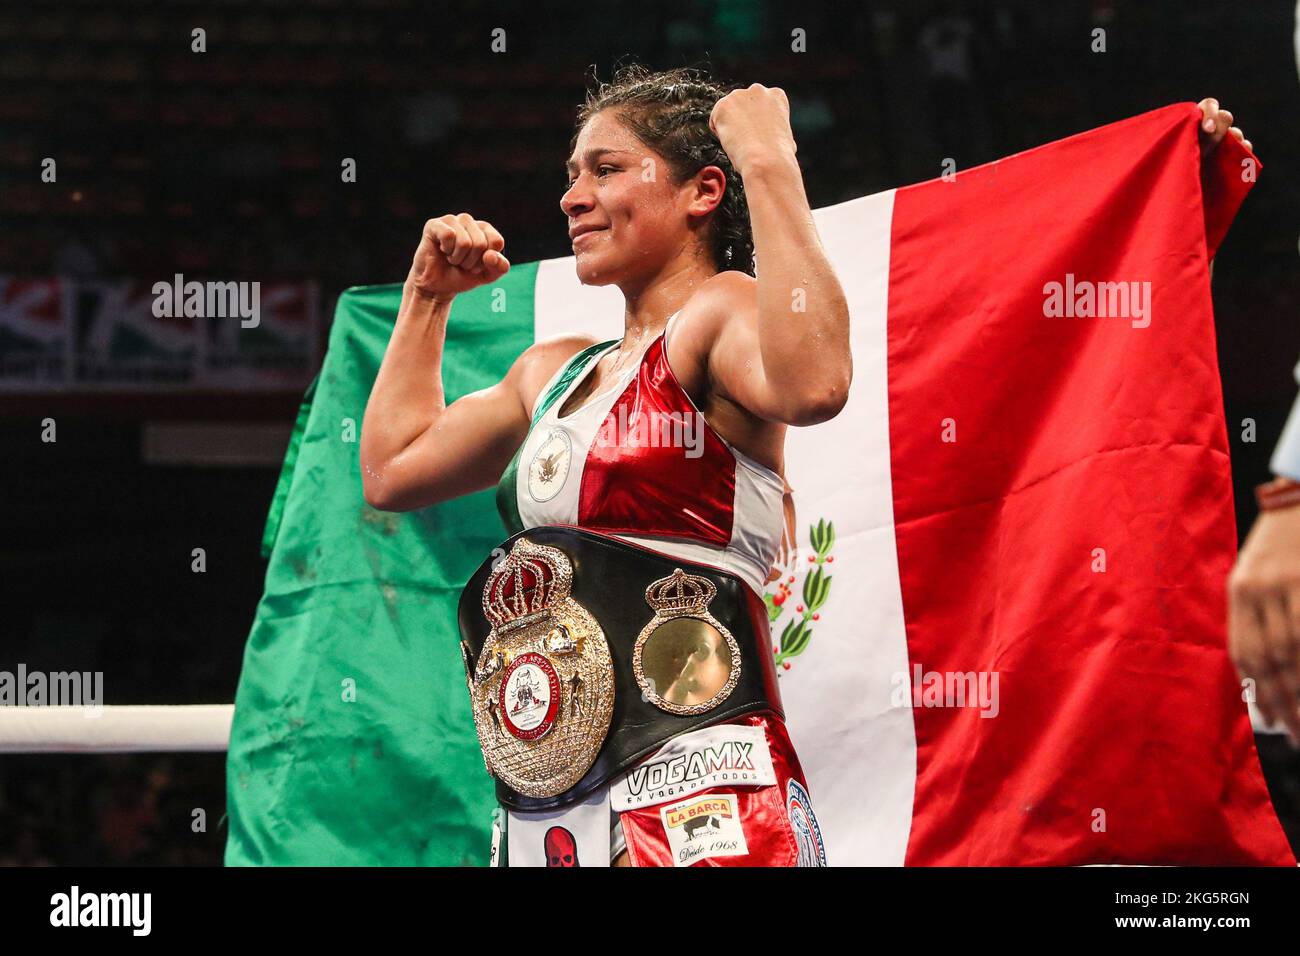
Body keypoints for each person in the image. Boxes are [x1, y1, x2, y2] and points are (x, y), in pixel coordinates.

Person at [360, 64, 848, 867]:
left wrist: (770, 164)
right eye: (570, 176)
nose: (572, 197)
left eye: (606, 169)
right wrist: (426, 298)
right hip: (552, 804)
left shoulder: (717, 315)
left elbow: (818, 381)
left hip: (697, 779)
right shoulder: (549, 373)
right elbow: (393, 470)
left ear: (702, 192)